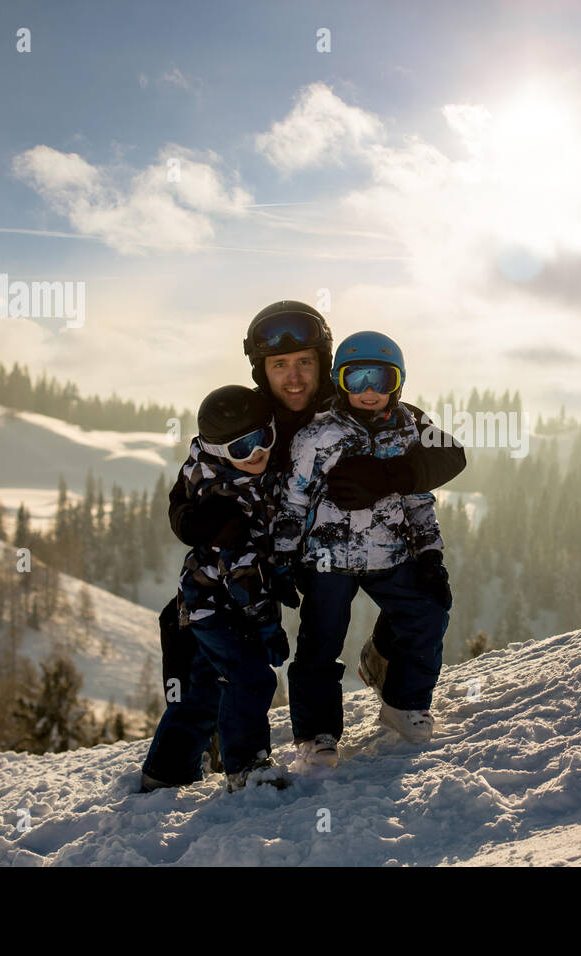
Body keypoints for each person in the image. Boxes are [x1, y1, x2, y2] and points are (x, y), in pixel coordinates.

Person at [157, 301, 464, 769]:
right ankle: (184, 764)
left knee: (419, 603)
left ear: (326, 364)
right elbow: (188, 488)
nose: (294, 377)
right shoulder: (249, 418)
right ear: (262, 371)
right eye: (279, 366)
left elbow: (450, 452)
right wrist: (196, 521)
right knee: (201, 648)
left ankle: (383, 664)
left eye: (305, 362)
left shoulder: (359, 400)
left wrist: (393, 475)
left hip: (361, 553)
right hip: (252, 567)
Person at [274, 331, 452, 757]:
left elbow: (418, 499)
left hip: (391, 553)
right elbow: (293, 500)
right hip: (327, 559)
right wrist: (284, 556)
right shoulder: (316, 437)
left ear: (399, 383)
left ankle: (404, 704)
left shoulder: (410, 433)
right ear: (339, 382)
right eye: (357, 380)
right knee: (320, 643)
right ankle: (316, 735)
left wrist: (430, 554)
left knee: (427, 615)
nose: (370, 392)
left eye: (382, 379)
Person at [140, 386, 297, 793]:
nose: (257, 451)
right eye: (242, 446)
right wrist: (265, 623)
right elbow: (241, 570)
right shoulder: (226, 496)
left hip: (208, 601)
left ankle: (166, 771)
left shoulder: (242, 473)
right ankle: (246, 768)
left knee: (203, 688)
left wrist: (277, 568)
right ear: (216, 449)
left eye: (263, 437)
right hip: (221, 607)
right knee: (251, 679)